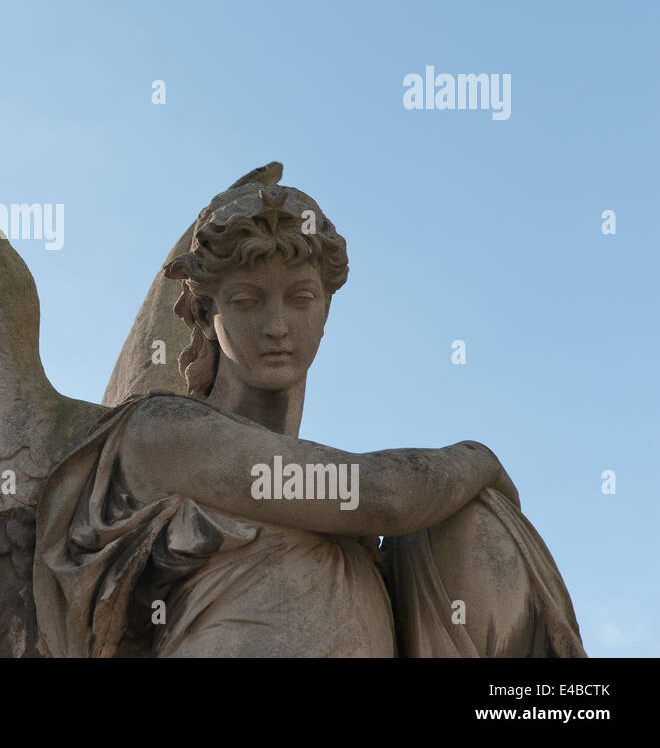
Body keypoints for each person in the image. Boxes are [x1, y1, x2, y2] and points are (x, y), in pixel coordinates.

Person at [33, 182, 586, 657]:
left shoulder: (349, 538)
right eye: (248, 301)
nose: (277, 325)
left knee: (471, 519)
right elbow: (384, 495)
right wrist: (478, 458)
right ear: (206, 314)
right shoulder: (162, 432)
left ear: (326, 307)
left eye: (300, 298)